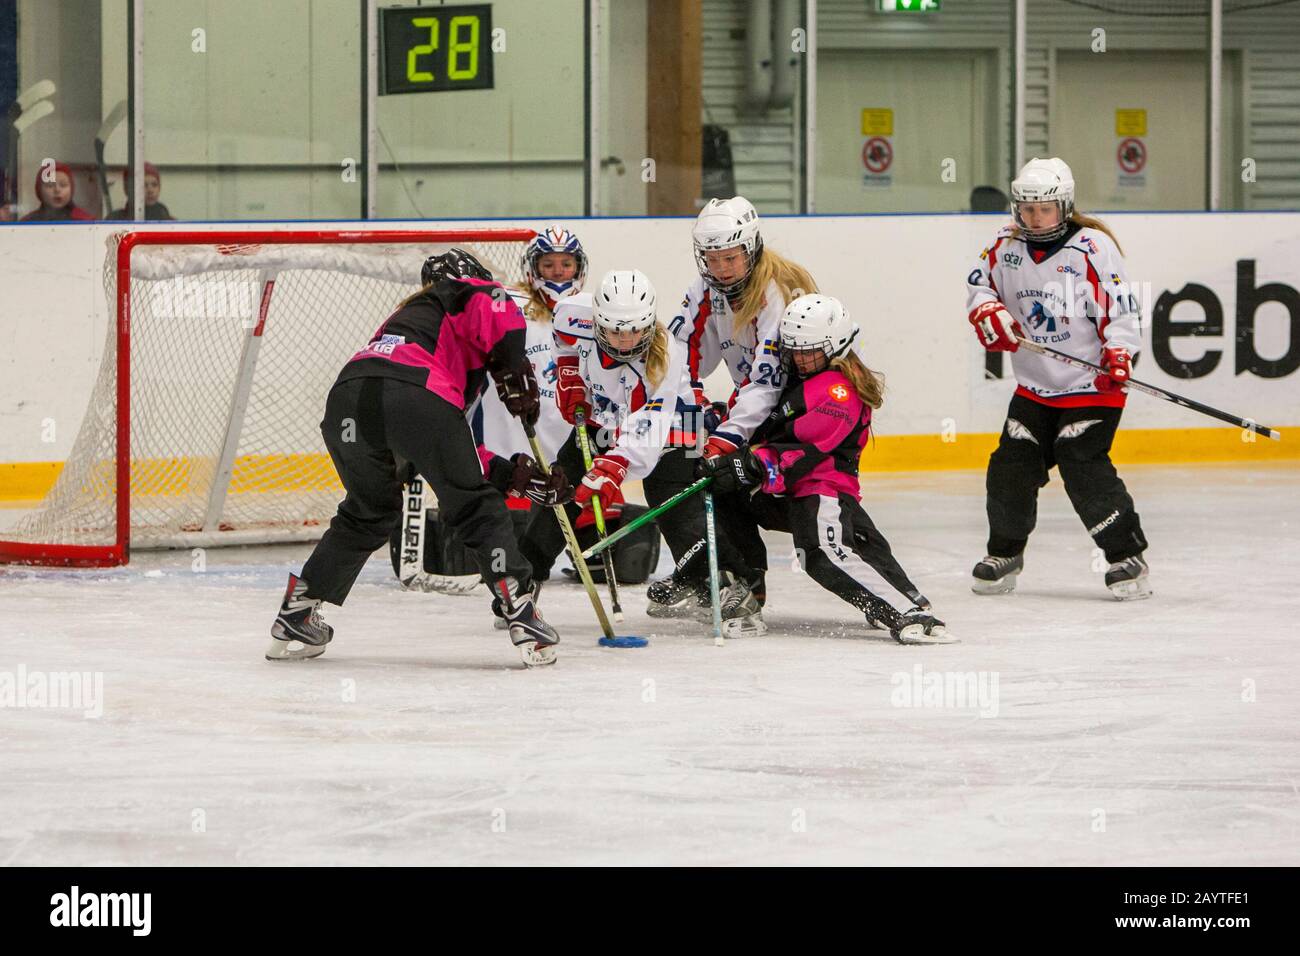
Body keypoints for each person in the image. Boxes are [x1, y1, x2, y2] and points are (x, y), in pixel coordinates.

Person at [268, 248, 564, 667]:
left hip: (348, 399)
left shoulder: (413, 325)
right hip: (414, 397)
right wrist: (516, 370)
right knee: (476, 507)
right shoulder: (473, 291)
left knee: (367, 511)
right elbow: (496, 309)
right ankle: (518, 604)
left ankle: (298, 609)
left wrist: (512, 475)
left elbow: (444, 445)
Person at [524, 268, 766, 637]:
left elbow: (648, 428)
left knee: (671, 499)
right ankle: (525, 581)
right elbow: (564, 343)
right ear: (598, 321)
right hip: (603, 415)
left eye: (635, 330)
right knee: (562, 488)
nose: (625, 341)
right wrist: (570, 373)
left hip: (672, 421)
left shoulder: (666, 356)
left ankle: (728, 582)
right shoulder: (573, 312)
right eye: (615, 331)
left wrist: (612, 467)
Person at [701, 294, 950, 644]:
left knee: (820, 553)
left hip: (819, 489)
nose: (800, 358)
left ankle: (909, 612)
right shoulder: (794, 375)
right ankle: (748, 587)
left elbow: (804, 451)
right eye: (795, 350)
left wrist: (755, 463)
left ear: (836, 346)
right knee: (724, 491)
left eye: (810, 350)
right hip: (786, 490)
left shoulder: (837, 392)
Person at [966, 157, 1150, 600]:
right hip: (1035, 388)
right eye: (1026, 209)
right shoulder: (1004, 245)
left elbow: (1122, 309)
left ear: (1064, 206)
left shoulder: (1092, 247)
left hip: (1091, 387)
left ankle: (1126, 557)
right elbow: (980, 285)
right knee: (1011, 466)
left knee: (1081, 463)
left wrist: (1119, 354)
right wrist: (987, 309)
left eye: (1043, 209)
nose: (1033, 217)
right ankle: (1005, 552)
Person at [652, 195, 818, 618]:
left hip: (797, 415)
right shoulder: (707, 287)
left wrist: (723, 437)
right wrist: (696, 408)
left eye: (730, 257)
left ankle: (746, 583)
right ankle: (704, 571)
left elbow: (768, 383)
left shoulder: (776, 291)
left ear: (752, 247)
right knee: (675, 460)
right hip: (751, 410)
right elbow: (682, 354)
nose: (721, 268)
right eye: (712, 258)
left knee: (722, 474)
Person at [19, 162, 95, 221]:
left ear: (71, 189)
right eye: (50, 185)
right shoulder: (27, 223)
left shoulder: (86, 222)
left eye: (63, 185)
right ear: (39, 190)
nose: (57, 190)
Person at [109, 162, 175, 220]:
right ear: (128, 190)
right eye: (143, 185)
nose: (150, 190)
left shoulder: (169, 223)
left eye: (154, 185)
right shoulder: (115, 221)